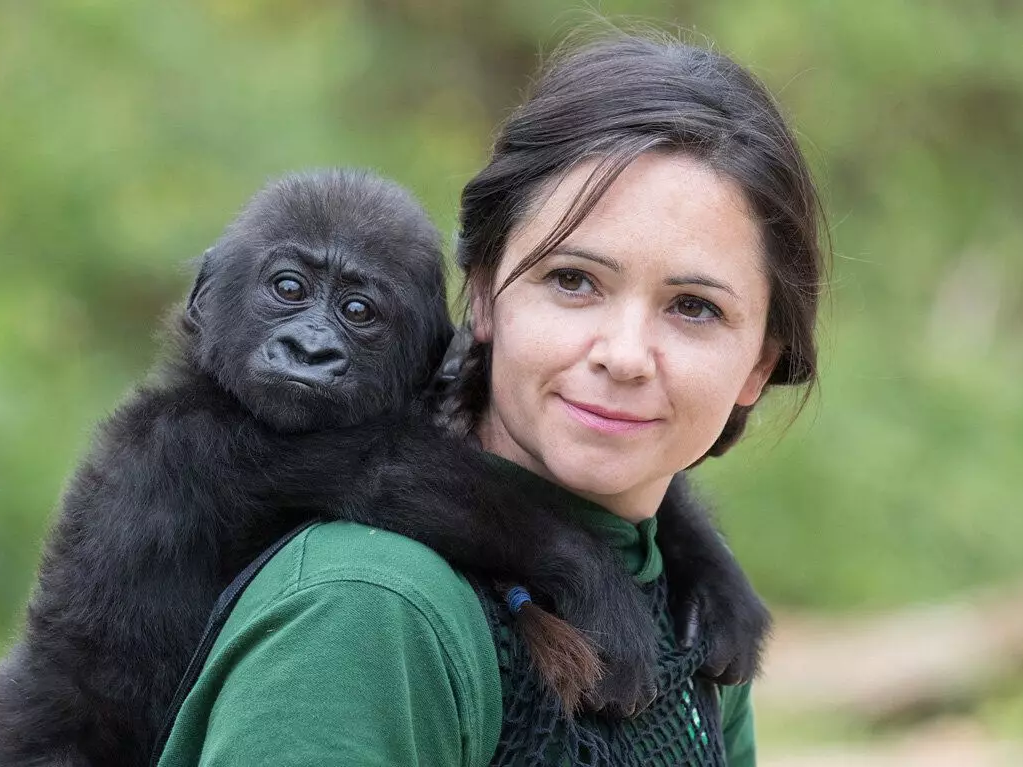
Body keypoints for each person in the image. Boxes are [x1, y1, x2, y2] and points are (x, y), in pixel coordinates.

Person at [157, 30, 824, 767]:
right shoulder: (372, 611)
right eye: (573, 280)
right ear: (483, 295)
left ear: (759, 363)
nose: (625, 354)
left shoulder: (691, 607)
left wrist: (700, 562)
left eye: (693, 306)